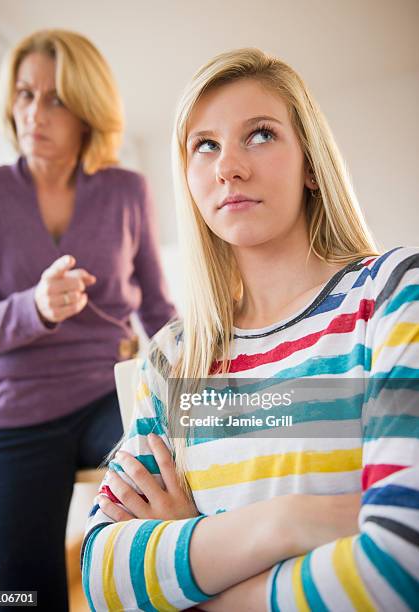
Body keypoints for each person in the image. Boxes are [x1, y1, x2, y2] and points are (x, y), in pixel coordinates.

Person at [82, 48, 419, 611]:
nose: (227, 167)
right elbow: (102, 576)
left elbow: (399, 568)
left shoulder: (389, 294)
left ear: (312, 164)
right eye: (204, 145)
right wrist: (289, 521)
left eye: (260, 135)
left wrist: (196, 569)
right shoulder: (172, 358)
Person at [0, 29, 176, 611]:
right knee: (18, 597)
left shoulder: (127, 190)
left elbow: (157, 307)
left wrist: (201, 364)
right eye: (25, 94)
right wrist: (32, 308)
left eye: (56, 98)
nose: (35, 112)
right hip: (12, 415)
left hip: (102, 397)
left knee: (180, 475)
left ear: (87, 111)